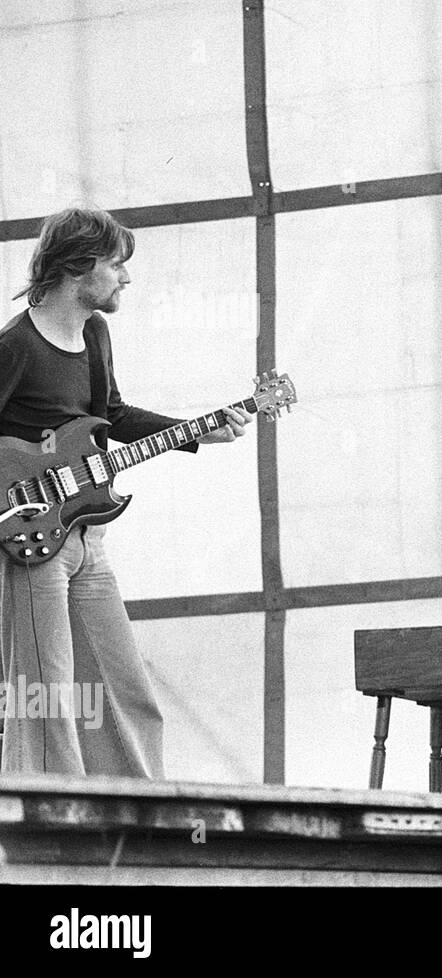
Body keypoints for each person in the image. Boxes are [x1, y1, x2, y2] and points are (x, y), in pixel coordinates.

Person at [0, 206, 252, 777]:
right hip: (31, 537)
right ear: (78, 266)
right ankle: (51, 823)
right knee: (43, 696)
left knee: (123, 689)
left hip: (89, 534)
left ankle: (139, 813)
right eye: (117, 264)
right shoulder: (14, 346)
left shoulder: (94, 332)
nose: (127, 277)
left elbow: (109, 415)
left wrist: (194, 431)